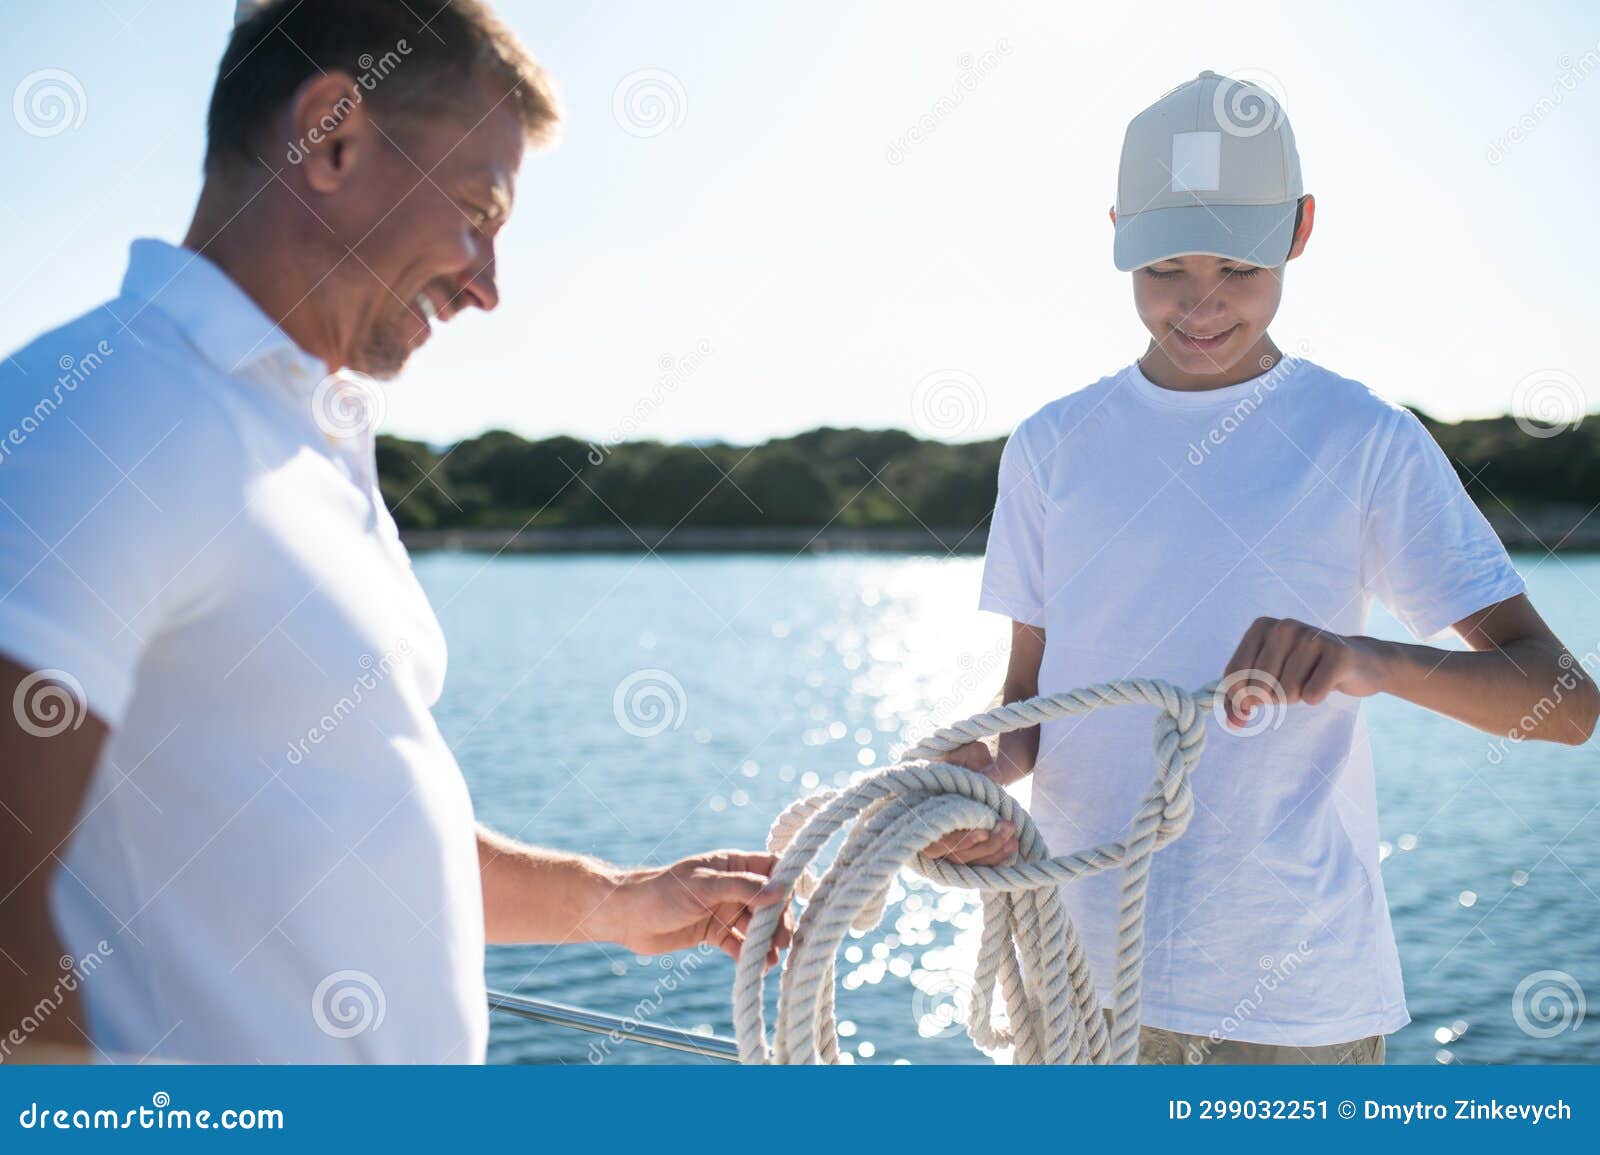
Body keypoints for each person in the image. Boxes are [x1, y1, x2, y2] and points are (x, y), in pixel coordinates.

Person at [0, 0, 790, 1064]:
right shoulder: (108, 412)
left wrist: (614, 901)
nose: (487, 286)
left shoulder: (305, 444)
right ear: (331, 135)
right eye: (476, 211)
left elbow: (348, 824)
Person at [927, 71, 1597, 1064]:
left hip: (1295, 1009)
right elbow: (1028, 712)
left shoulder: (1366, 439)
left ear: (1299, 230)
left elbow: (1566, 702)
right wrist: (959, 781)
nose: (1198, 305)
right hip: (1080, 991)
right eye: (1162, 268)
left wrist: (1368, 660)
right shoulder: (1051, 445)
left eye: (1236, 265)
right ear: (1115, 233)